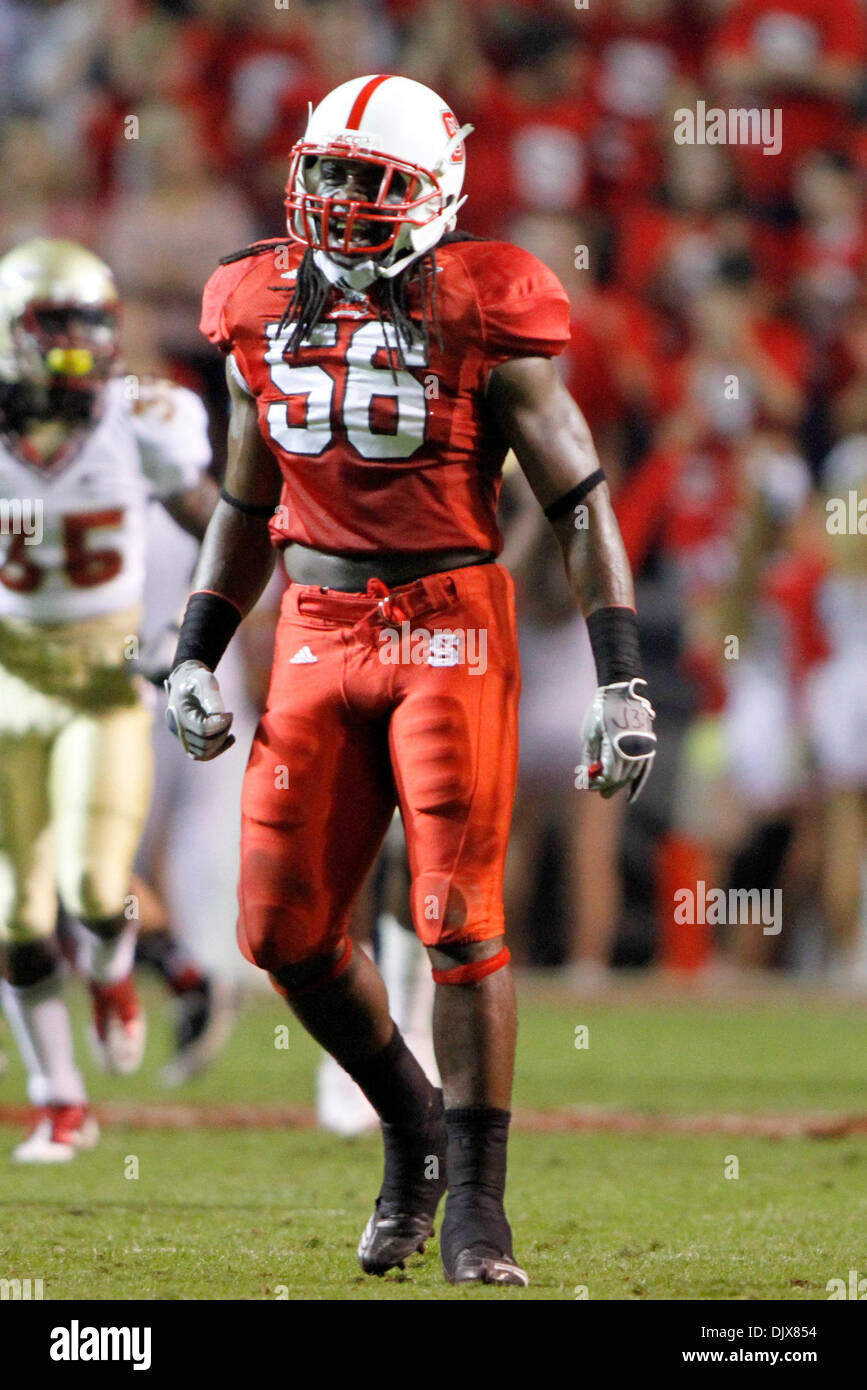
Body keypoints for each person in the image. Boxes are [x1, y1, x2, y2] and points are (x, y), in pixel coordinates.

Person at [165, 74, 656, 1287]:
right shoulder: (253, 296)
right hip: (315, 624)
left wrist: (622, 677)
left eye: (370, 180)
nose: (339, 199)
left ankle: (478, 1209)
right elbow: (244, 493)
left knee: (455, 916)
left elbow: (580, 502)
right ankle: (412, 1123)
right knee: (280, 929)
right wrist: (192, 646)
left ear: (434, 190)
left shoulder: (487, 300)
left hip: (448, 620)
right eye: (326, 172)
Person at [0, 238, 215, 1161]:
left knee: (95, 889)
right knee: (14, 911)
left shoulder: (144, 419)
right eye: (60, 325)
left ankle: (119, 973)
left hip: (101, 685)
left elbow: (225, 528)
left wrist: (192, 634)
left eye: (95, 323)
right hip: (9, 685)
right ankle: (60, 1100)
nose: (82, 344)